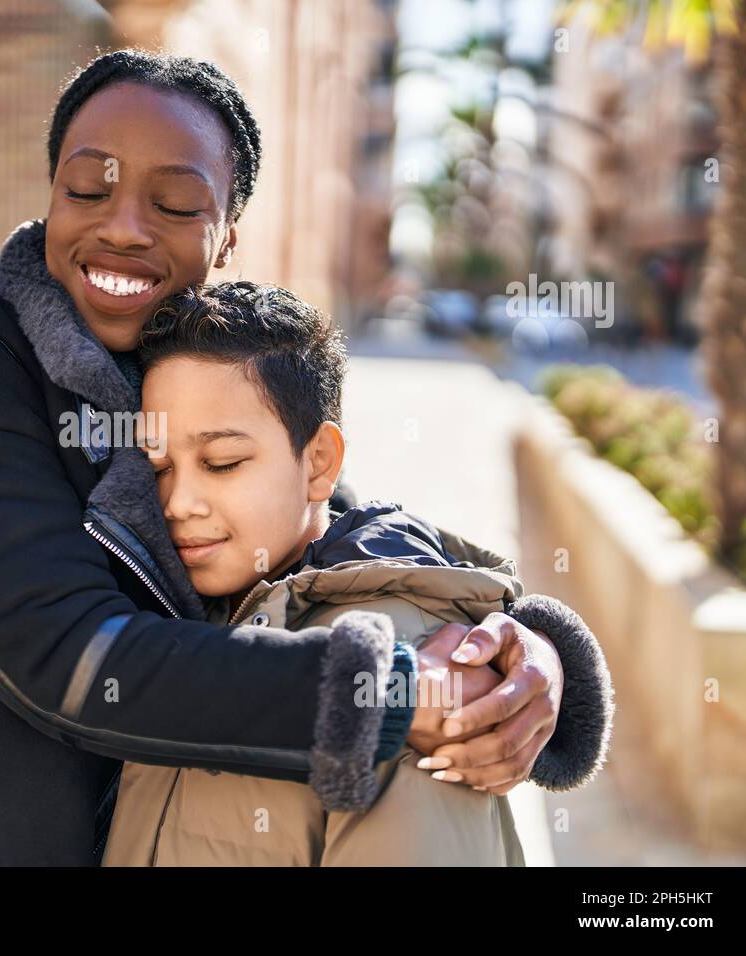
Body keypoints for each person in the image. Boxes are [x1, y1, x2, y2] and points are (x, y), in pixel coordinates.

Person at [0, 50, 612, 866]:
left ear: (229, 233)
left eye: (175, 204)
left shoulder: (198, 378)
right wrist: (387, 693)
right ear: (52, 193)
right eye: (88, 188)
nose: (122, 229)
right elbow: (70, 656)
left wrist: (525, 657)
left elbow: (333, 534)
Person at [101, 281, 538, 866]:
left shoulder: (413, 674)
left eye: (221, 463)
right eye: (158, 466)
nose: (179, 502)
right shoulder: (175, 610)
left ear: (319, 463)